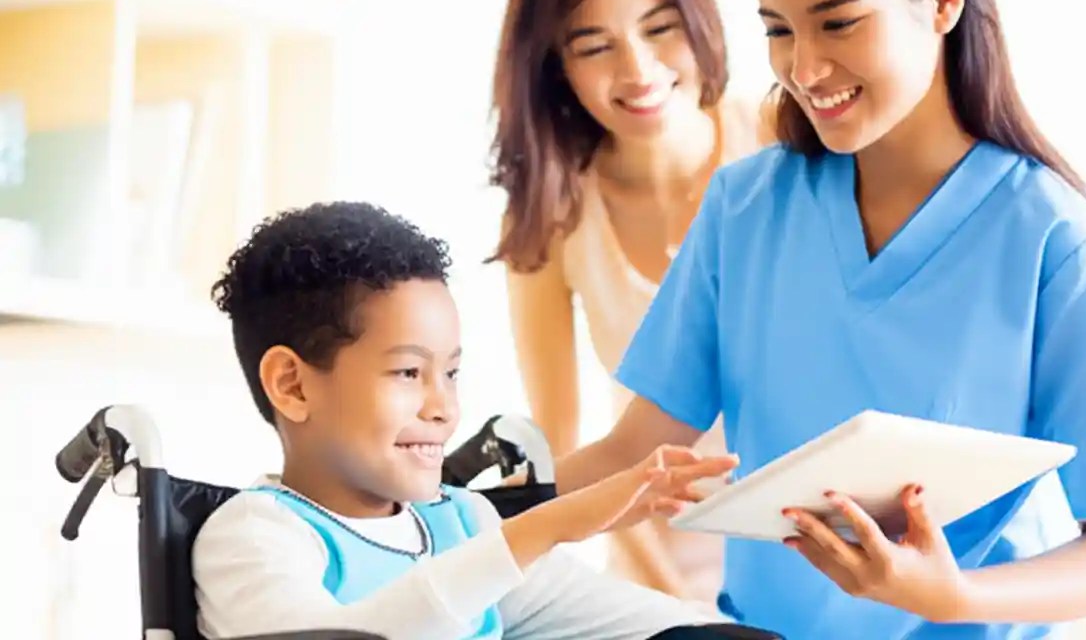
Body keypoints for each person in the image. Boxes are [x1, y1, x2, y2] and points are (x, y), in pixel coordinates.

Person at [551, 0, 1086, 638]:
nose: (804, 68)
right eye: (779, 30)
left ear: (943, 0)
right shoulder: (743, 210)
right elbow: (631, 453)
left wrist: (954, 598)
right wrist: (465, 507)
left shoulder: (1052, 237)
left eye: (839, 22)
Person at [191, 201, 742, 639]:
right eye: (408, 372)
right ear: (292, 384)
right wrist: (545, 526)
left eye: (451, 373)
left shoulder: (459, 524)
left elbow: (644, 623)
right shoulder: (254, 536)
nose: (444, 408)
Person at [488, 0, 769, 603]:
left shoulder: (776, 135)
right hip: (660, 567)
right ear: (555, 68)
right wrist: (676, 598)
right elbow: (561, 450)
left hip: (809, 537)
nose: (638, 70)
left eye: (660, 28)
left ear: (698, 16)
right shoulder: (552, 215)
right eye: (594, 46)